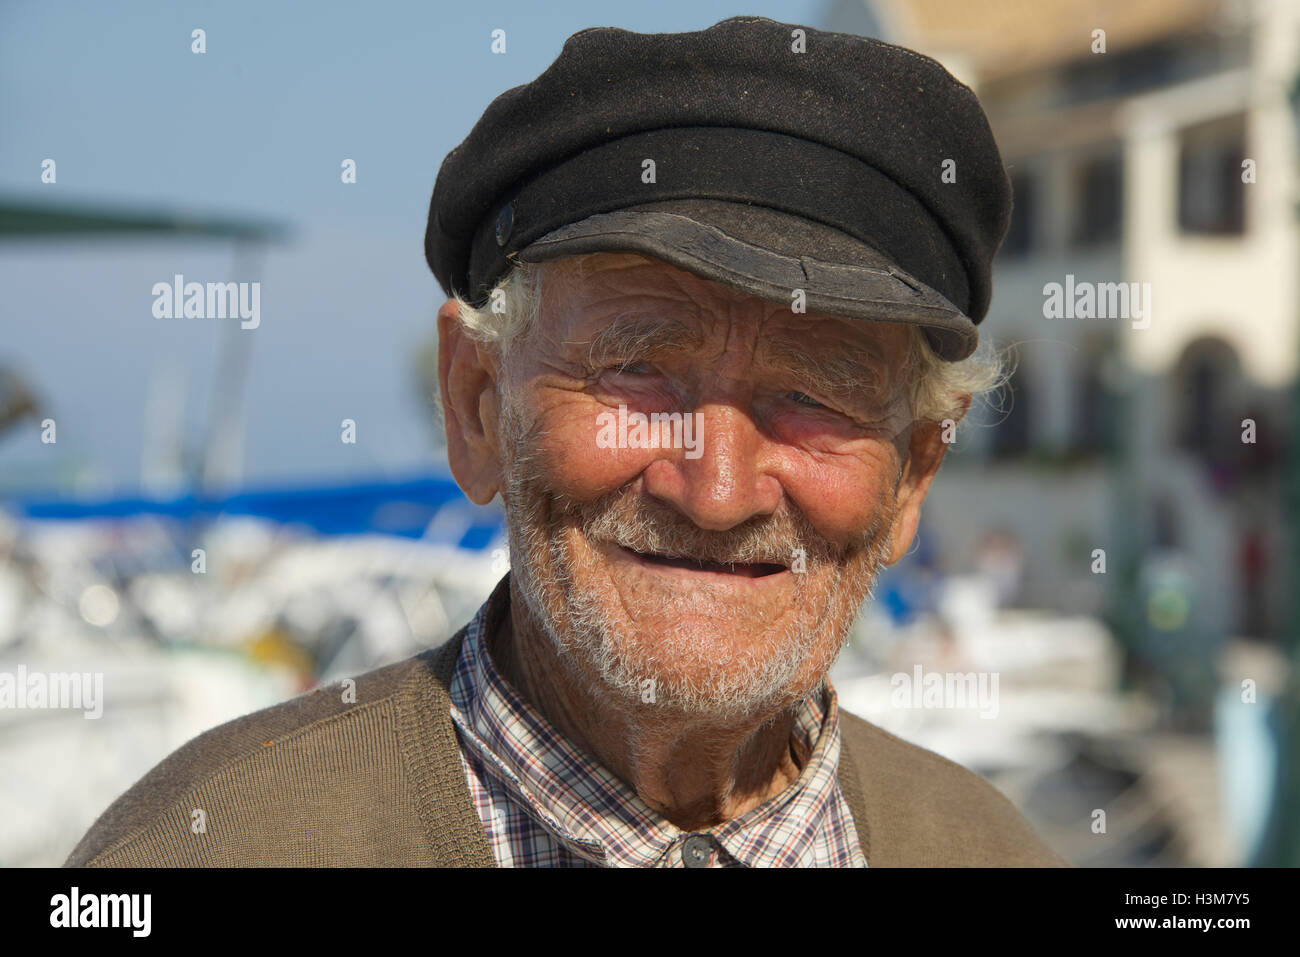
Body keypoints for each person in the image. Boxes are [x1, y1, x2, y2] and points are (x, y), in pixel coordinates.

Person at [67, 16, 1064, 867]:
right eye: (638, 370)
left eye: (813, 395)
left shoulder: (989, 852)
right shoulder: (208, 851)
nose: (716, 492)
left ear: (912, 477)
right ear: (477, 406)